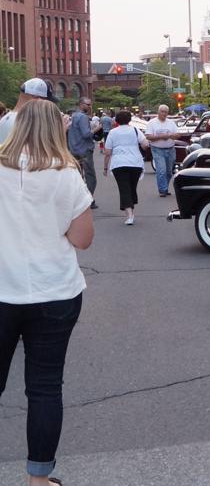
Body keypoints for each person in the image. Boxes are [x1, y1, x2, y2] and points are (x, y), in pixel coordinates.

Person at [0, 99, 94, 486]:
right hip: (55, 291)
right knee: (44, 387)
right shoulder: (66, 173)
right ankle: (38, 480)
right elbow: (82, 239)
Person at [103, 110, 147, 225]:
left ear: (116, 120)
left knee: (124, 188)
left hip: (119, 163)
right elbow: (145, 144)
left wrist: (105, 167)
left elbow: (107, 152)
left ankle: (129, 214)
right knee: (132, 187)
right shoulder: (135, 130)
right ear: (129, 120)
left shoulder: (112, 133)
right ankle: (130, 210)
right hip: (135, 163)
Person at [0, 78, 60, 146]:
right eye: (46, 102)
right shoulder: (26, 122)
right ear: (37, 98)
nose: (46, 106)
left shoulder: (5, 118)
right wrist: (59, 131)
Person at [67, 97, 98, 209]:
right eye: (87, 104)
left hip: (73, 149)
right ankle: (88, 200)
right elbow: (86, 134)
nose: (89, 107)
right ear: (81, 104)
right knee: (90, 177)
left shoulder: (73, 116)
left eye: (90, 105)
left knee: (77, 177)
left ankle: (77, 200)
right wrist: (97, 128)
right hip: (84, 150)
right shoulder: (83, 117)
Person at [145, 104, 180, 197]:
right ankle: (162, 190)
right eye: (162, 111)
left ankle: (165, 187)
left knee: (169, 171)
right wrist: (160, 136)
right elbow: (148, 136)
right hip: (157, 149)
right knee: (161, 170)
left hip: (170, 149)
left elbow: (178, 135)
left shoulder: (171, 123)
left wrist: (169, 136)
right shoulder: (152, 123)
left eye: (166, 112)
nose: (164, 114)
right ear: (158, 112)